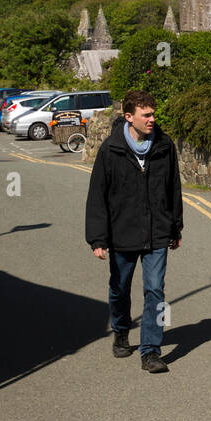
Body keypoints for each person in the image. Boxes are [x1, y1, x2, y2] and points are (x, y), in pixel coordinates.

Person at [85, 90, 183, 374]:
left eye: (154, 114)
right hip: (121, 233)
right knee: (119, 288)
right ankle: (120, 329)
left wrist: (175, 226)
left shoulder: (165, 146)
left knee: (155, 289)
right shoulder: (110, 149)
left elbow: (173, 190)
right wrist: (98, 238)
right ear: (129, 117)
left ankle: (150, 351)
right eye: (147, 115)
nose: (153, 119)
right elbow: (97, 197)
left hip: (157, 233)